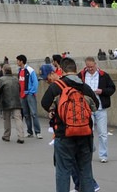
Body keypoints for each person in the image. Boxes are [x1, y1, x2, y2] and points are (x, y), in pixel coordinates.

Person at [40, 57, 98, 192]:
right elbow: (96, 105)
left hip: (64, 134)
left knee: (63, 171)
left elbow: (45, 103)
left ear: (62, 70)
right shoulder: (85, 87)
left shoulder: (56, 86)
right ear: (76, 70)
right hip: (85, 134)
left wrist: (54, 111)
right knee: (86, 171)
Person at [80, 56, 116, 163]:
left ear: (95, 64)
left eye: (91, 66)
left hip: (100, 108)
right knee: (87, 132)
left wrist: (102, 91)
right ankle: (89, 152)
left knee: (103, 133)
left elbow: (112, 88)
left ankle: (103, 155)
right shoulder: (82, 75)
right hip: (87, 109)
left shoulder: (104, 76)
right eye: (88, 67)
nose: (90, 69)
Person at [0, 64, 23, 143]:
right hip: (16, 100)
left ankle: (6, 135)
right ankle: (21, 136)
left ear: (4, 71)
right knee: (18, 118)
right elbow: (19, 89)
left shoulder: (1, 79)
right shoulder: (15, 79)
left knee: (6, 119)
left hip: (6, 101)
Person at [15, 54, 41, 139]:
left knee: (33, 113)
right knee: (26, 114)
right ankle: (30, 132)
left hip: (29, 95)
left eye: (18, 60)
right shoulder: (19, 71)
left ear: (21, 61)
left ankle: (38, 132)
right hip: (22, 95)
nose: (17, 62)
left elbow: (35, 82)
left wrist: (31, 92)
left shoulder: (30, 70)